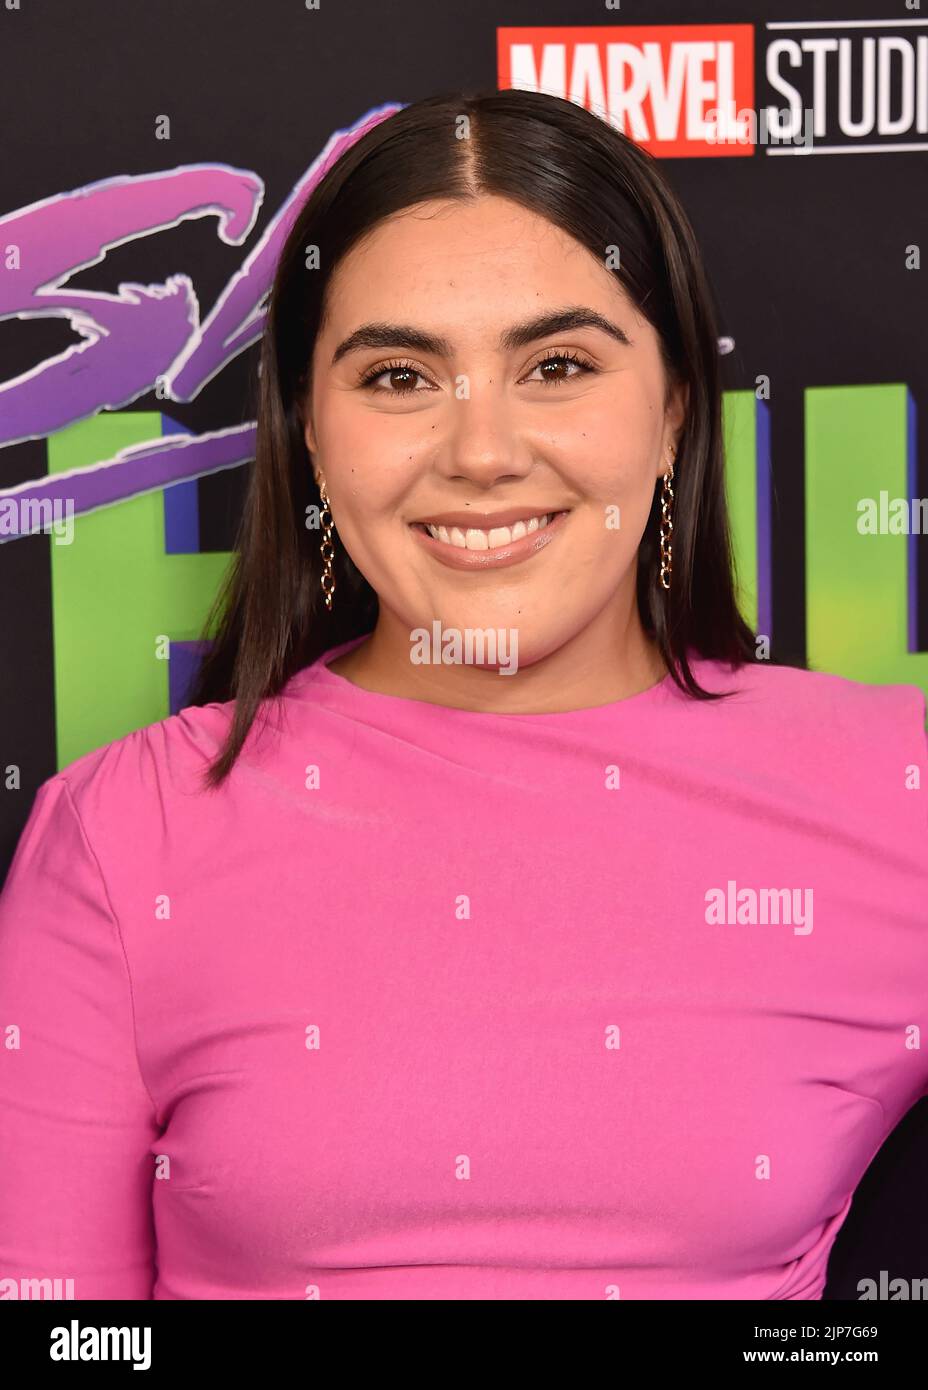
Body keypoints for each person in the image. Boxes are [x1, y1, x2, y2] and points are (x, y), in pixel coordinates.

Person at [0, 88, 925, 1301]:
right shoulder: (124, 836)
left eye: (556, 364)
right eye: (397, 377)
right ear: (313, 438)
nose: (481, 452)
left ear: (673, 416)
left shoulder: (893, 790)